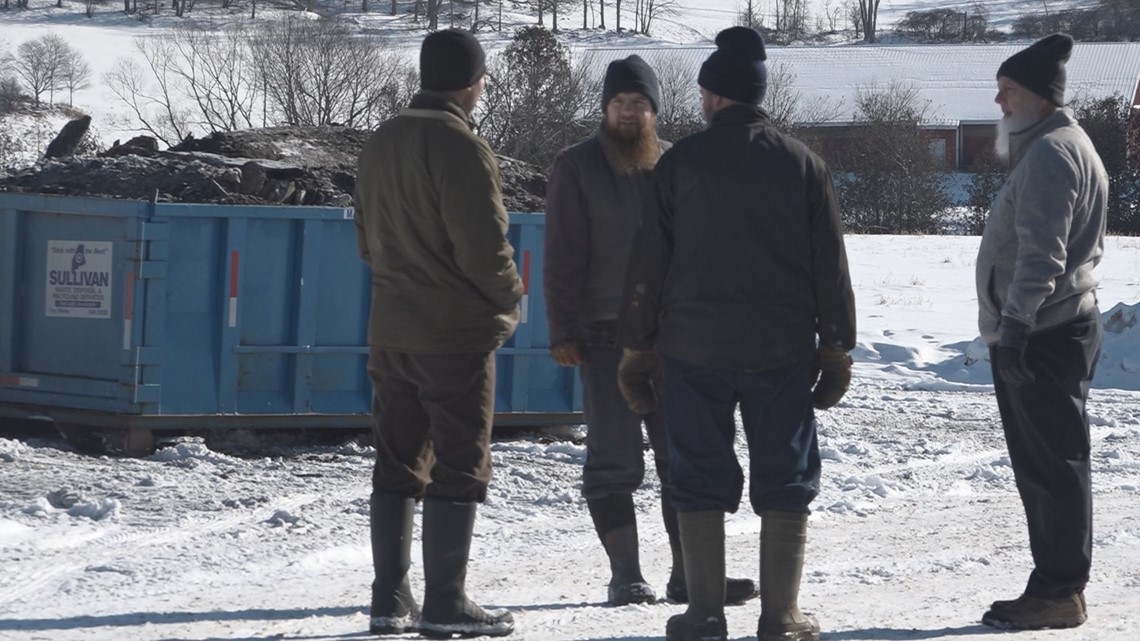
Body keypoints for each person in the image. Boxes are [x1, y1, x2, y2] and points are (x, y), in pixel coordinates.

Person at [618, 27, 856, 641]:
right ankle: (781, 617)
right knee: (786, 475)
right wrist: (836, 348)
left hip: (692, 350)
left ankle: (703, 614)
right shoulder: (804, 163)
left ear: (716, 96)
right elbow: (830, 265)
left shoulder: (679, 164)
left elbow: (649, 264)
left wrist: (638, 348)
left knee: (698, 472)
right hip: (780, 352)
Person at [544, 55, 757, 608]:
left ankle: (690, 573)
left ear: (656, 111)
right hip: (603, 336)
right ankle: (625, 575)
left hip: (672, 339)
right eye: (619, 102)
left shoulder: (676, 163)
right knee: (614, 458)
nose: (629, 113)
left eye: (639, 103)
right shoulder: (577, 166)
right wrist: (563, 327)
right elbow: (562, 255)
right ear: (605, 108)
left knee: (682, 458)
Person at [354, 28, 523, 639]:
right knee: (460, 464)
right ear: (473, 83)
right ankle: (446, 601)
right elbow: (484, 249)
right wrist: (512, 299)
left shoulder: (381, 141)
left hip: (390, 330)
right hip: (452, 336)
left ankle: (388, 599)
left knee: (397, 460)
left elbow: (366, 240)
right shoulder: (461, 147)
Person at [976, 33, 1107, 631]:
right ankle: (1058, 585)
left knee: (1051, 467)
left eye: (1008, 92)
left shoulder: (1053, 153)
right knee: (1055, 463)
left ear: (1039, 97)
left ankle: (1058, 589)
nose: (999, 102)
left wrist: (1017, 329)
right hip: (1055, 328)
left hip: (1045, 334)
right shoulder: (1059, 144)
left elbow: (1041, 255)